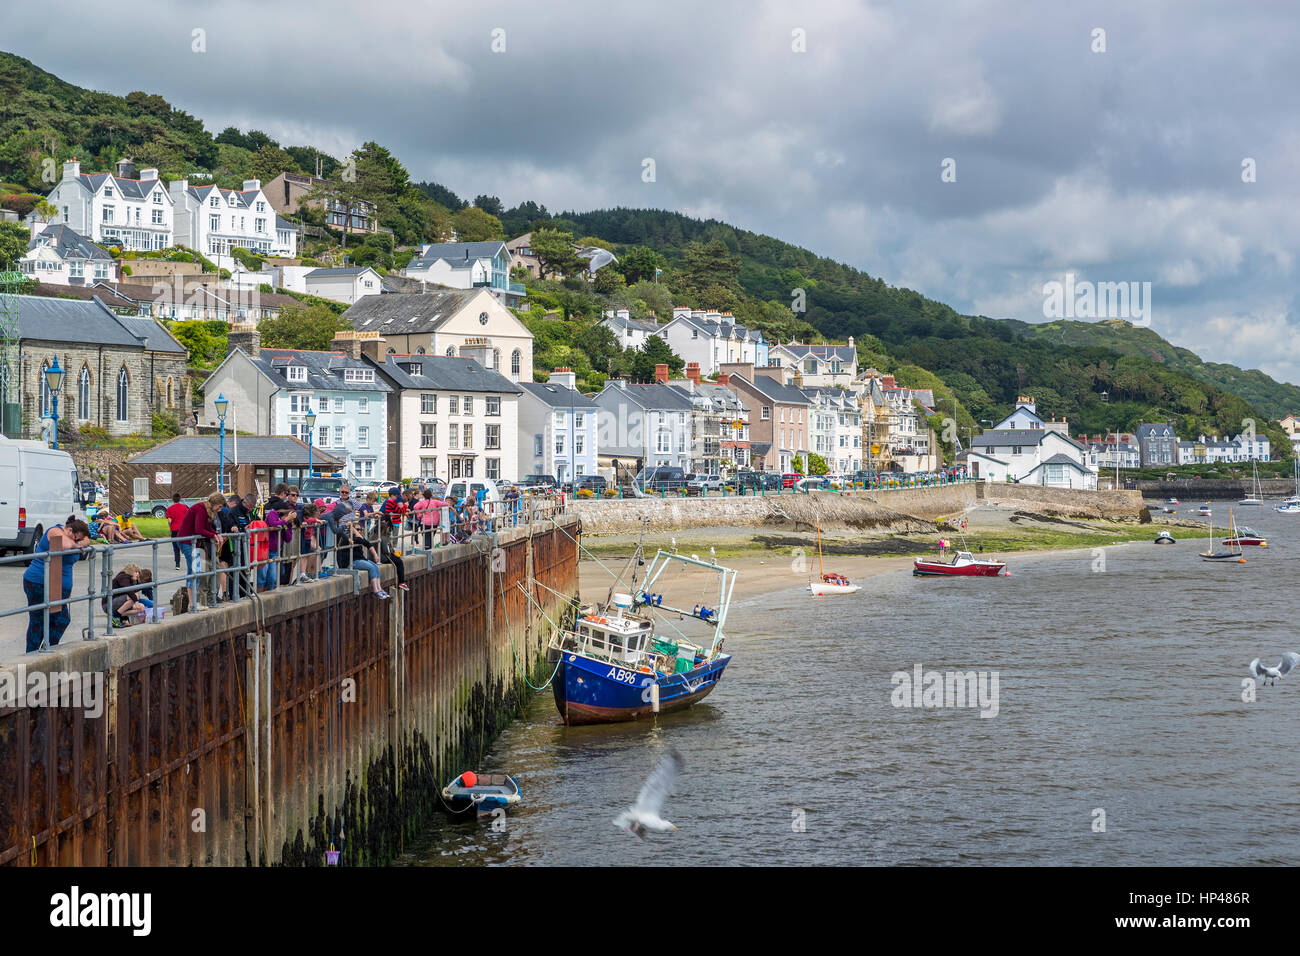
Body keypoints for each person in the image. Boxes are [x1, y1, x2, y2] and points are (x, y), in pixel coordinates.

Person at [23, 518, 93, 652]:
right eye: (76, 538)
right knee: (38, 620)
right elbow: (65, 545)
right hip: (38, 582)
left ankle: (47, 649)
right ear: (70, 530)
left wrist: (78, 541)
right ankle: (31, 654)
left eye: (78, 540)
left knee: (61, 620)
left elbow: (86, 540)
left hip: (58, 586)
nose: (78, 542)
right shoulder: (55, 531)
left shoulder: (73, 537)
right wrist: (76, 544)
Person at [177, 492, 225, 609]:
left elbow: (207, 528)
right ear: (215, 504)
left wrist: (217, 534)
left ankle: (193, 603)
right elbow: (199, 529)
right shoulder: (201, 508)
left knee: (195, 571)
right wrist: (214, 536)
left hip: (193, 543)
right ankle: (193, 604)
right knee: (195, 571)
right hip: (187, 542)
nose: (220, 510)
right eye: (219, 507)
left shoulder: (207, 510)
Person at [340, 514, 389, 599]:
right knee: (371, 567)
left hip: (359, 560)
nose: (359, 531)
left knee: (375, 566)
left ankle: (379, 588)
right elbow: (361, 540)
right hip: (351, 562)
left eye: (360, 529)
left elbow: (367, 544)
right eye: (357, 529)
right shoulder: (347, 538)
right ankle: (375, 591)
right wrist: (353, 529)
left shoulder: (358, 538)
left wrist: (375, 555)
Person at [165, 493, 188, 569]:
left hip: (174, 530)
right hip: (183, 530)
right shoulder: (184, 507)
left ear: (172, 499)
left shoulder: (170, 509)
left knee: (176, 547)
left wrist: (170, 528)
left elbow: (169, 521)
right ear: (180, 499)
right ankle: (189, 561)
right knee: (185, 546)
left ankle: (177, 564)